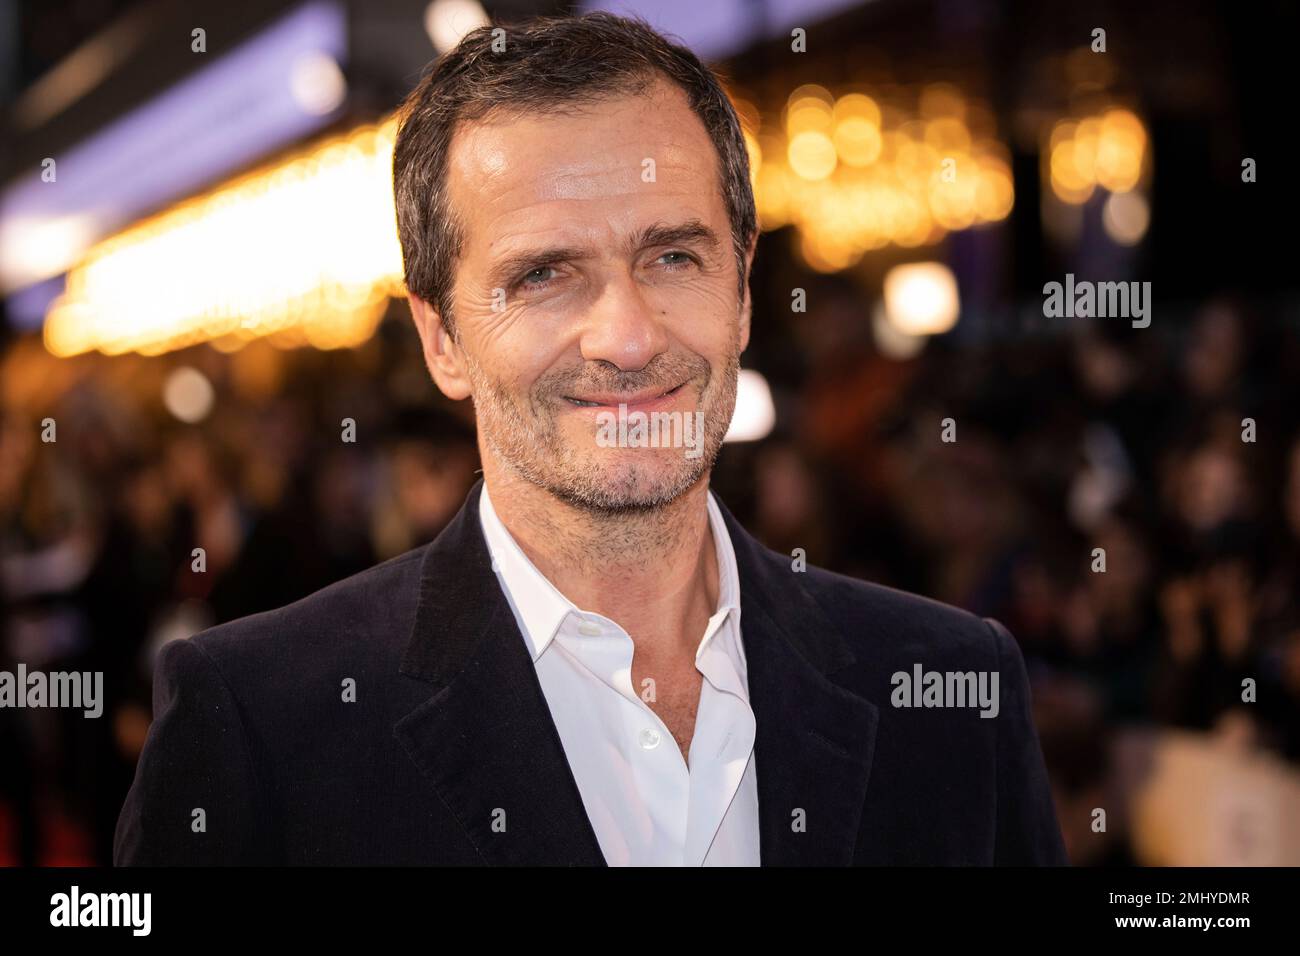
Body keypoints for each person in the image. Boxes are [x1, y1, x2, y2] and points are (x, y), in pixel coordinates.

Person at [114, 12, 1066, 866]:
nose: (629, 336)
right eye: (544, 275)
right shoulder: (262, 725)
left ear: (741, 295)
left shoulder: (951, 686)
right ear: (441, 338)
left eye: (674, 256)